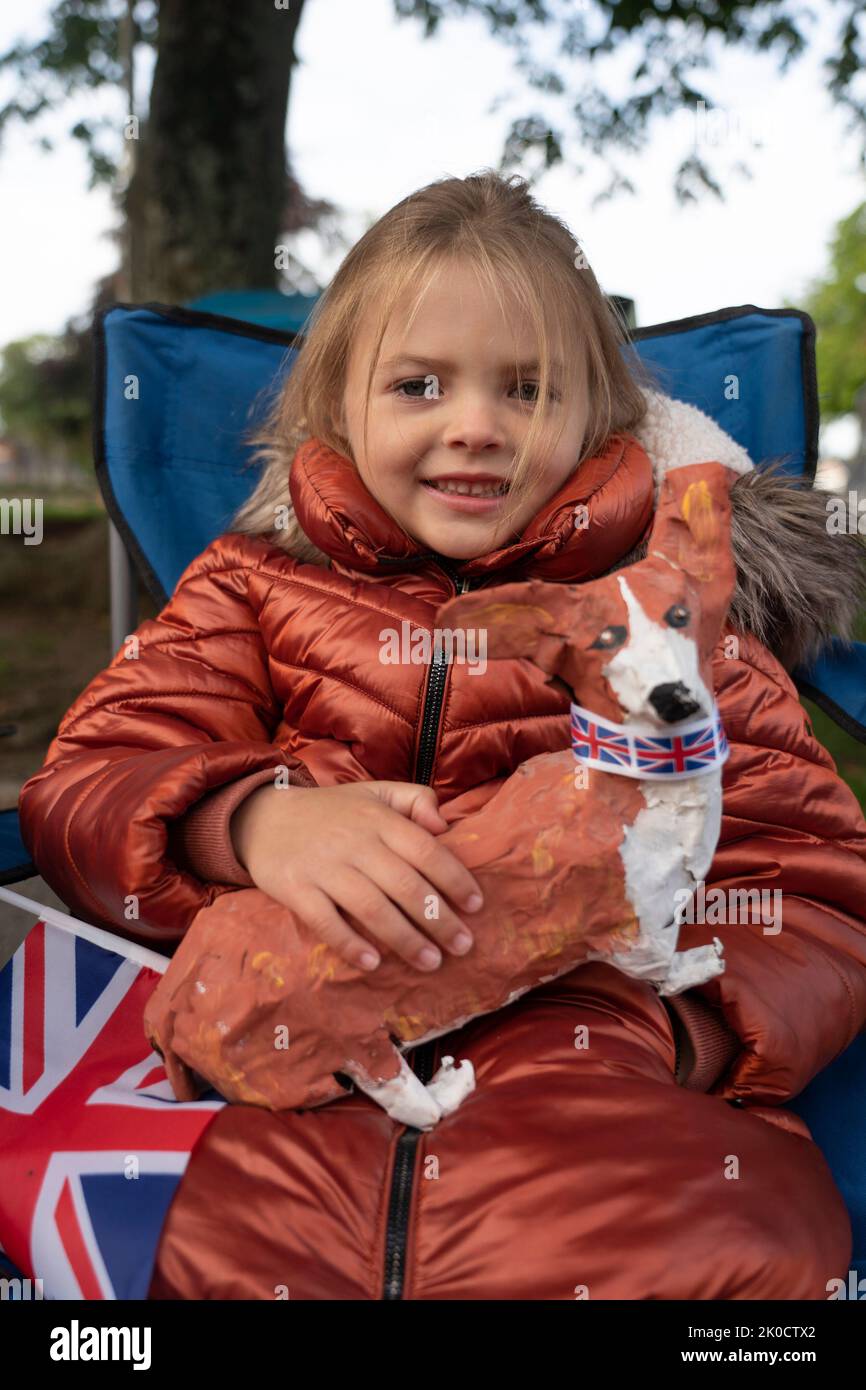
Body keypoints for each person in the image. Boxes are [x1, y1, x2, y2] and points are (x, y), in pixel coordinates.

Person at [18, 171, 866, 1301]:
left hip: (580, 1040)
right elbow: (93, 780)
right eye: (419, 384)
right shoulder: (252, 591)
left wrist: (665, 1022)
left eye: (526, 390)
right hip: (285, 1026)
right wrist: (250, 821)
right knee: (200, 1252)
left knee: (714, 1240)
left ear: (595, 422)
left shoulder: (661, 625)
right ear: (339, 409)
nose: (474, 425)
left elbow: (809, 882)